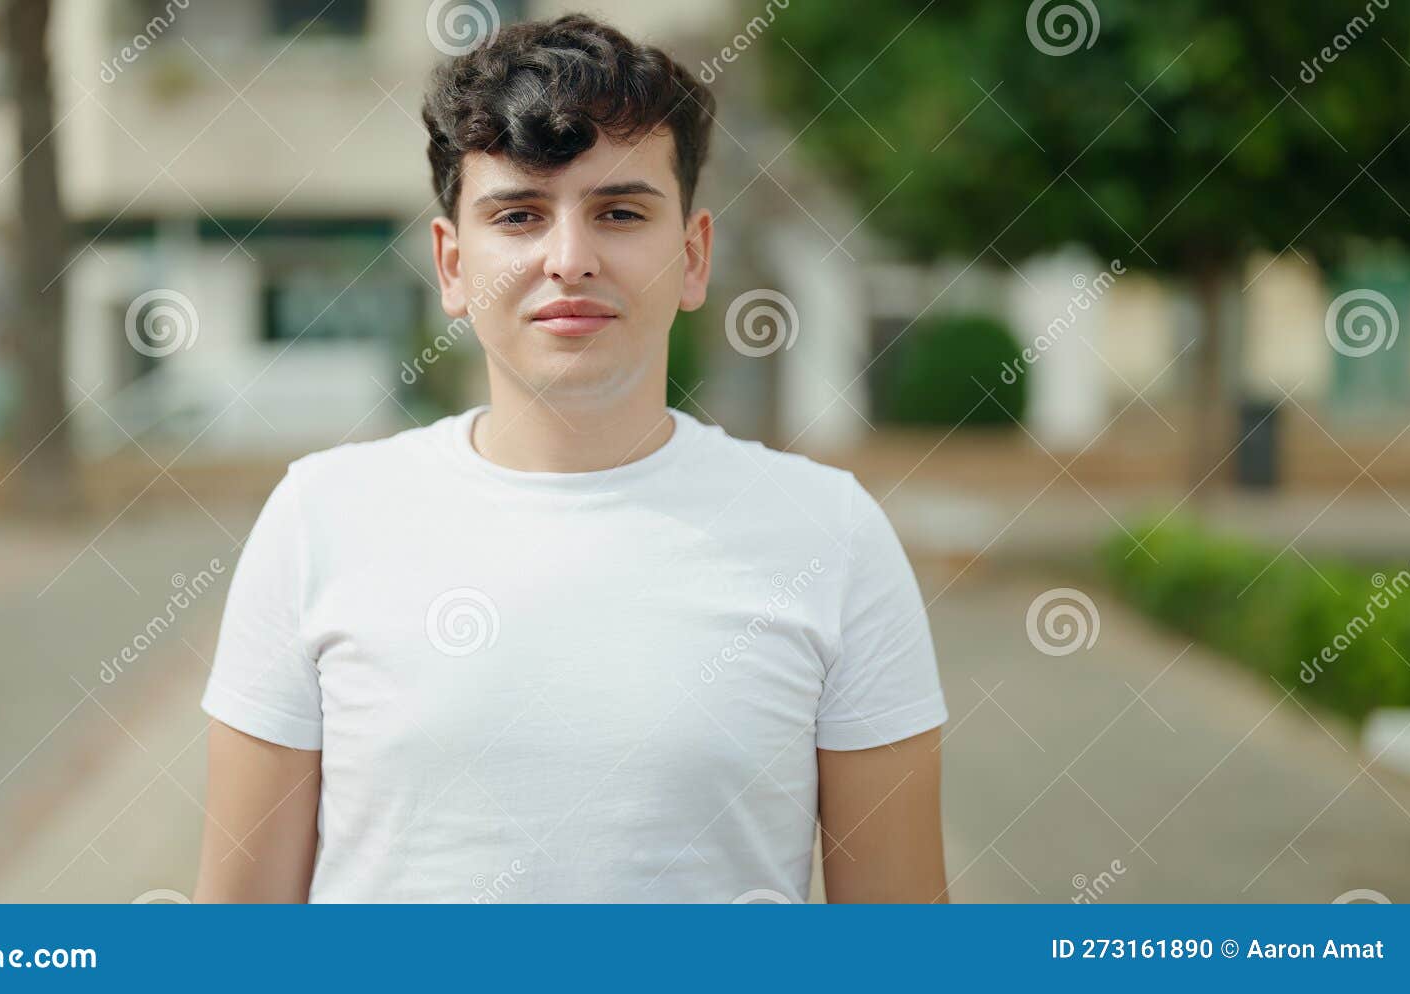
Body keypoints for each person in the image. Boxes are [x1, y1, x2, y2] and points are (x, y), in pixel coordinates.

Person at [193, 12, 948, 904]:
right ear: (451, 264)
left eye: (619, 212)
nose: (569, 259)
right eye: (517, 215)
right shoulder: (319, 519)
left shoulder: (834, 536)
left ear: (694, 254)